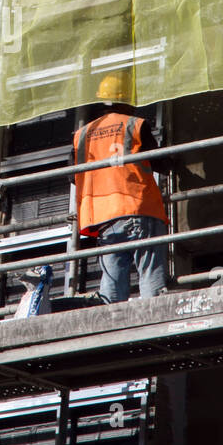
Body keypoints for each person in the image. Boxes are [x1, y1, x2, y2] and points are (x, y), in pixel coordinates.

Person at [72, 72, 171, 304]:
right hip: (137, 208)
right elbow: (160, 162)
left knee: (112, 287)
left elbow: (72, 176)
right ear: (127, 99)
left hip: (105, 219)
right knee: (150, 277)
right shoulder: (134, 125)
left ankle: (113, 330)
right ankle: (154, 322)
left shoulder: (82, 135)